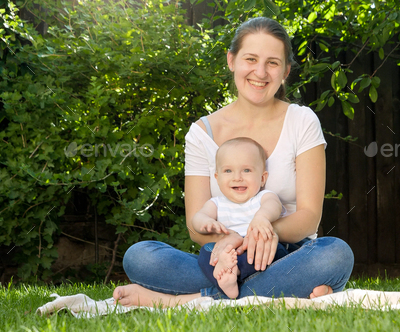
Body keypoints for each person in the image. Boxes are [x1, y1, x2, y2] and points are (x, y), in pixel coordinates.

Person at [113, 16, 354, 308]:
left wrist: (266, 233)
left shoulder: (302, 121)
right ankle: (280, 290)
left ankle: (191, 299)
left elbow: (309, 216)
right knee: (139, 256)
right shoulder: (202, 133)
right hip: (223, 259)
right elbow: (195, 226)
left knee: (336, 254)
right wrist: (231, 245)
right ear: (231, 60)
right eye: (250, 59)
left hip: (289, 255)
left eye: (273, 63)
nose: (260, 72)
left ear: (286, 71)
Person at [193, 137, 287, 299]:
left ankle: (231, 275)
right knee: (206, 251)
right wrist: (206, 222)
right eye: (228, 171)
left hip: (256, 249)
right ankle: (229, 278)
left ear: (263, 178)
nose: (237, 177)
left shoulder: (263, 197)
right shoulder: (216, 203)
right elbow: (197, 218)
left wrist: (262, 217)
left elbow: (274, 205)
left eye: (246, 170)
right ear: (217, 177)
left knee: (274, 249)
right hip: (228, 252)